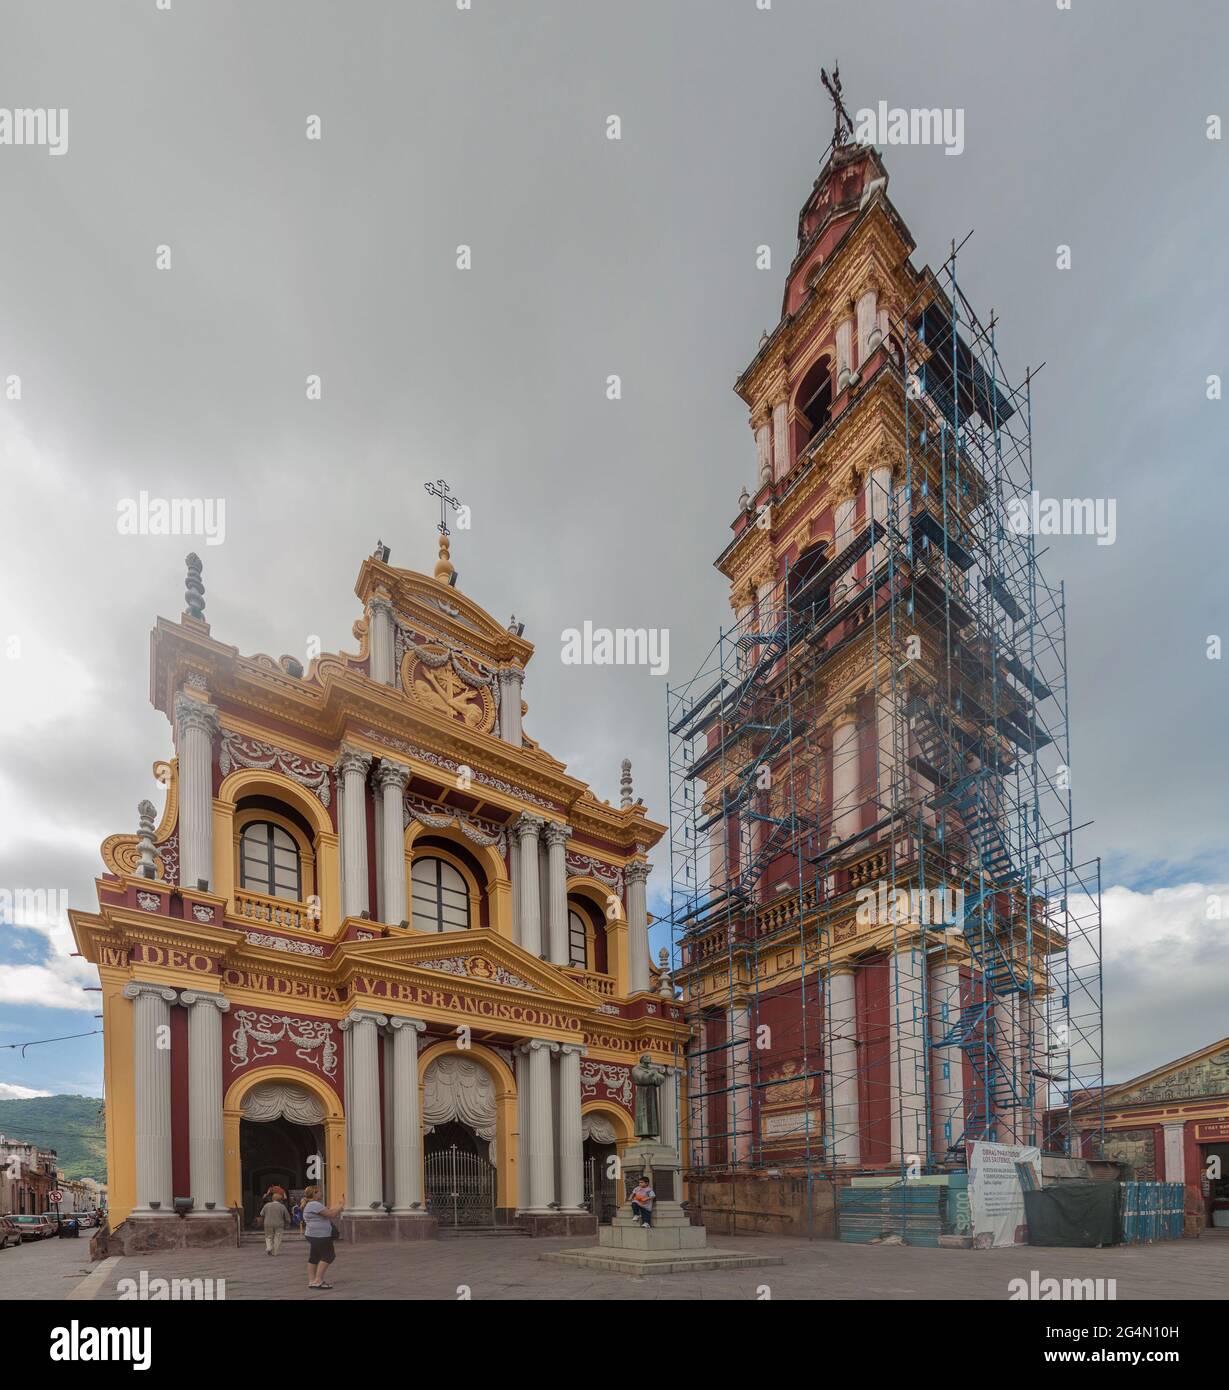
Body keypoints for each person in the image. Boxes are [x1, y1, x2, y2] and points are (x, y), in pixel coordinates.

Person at [300, 1186, 344, 1290]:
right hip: (320, 1235)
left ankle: (312, 1281)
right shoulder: (314, 1204)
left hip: (313, 1234)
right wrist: (341, 1206)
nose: (322, 1193)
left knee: (314, 1257)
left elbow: (329, 1210)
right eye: (320, 1192)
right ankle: (318, 1280)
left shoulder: (311, 1204)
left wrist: (338, 1204)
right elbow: (332, 1214)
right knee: (329, 1256)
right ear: (314, 1193)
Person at [260, 1192, 290, 1256]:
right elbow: (287, 1217)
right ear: (281, 1200)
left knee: (268, 1236)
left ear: (272, 1199)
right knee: (278, 1238)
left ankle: (269, 1247)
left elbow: (261, 1214)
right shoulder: (282, 1206)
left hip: (268, 1224)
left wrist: (263, 1221)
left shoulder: (267, 1205)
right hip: (279, 1224)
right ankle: (274, 1252)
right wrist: (288, 1222)